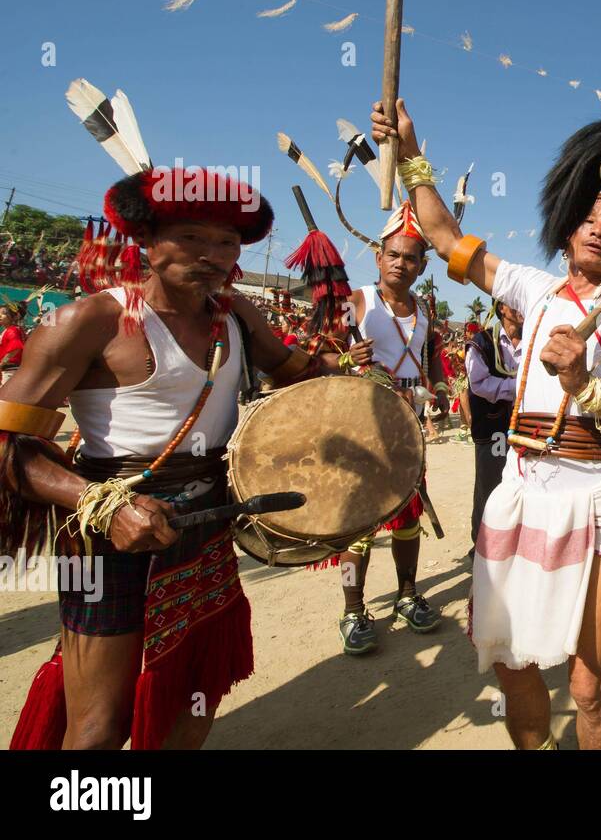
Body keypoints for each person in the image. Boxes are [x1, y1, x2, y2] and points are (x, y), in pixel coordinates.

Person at [3, 167, 370, 750]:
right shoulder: (87, 320)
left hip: (208, 525)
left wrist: (345, 370)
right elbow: (7, 447)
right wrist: (99, 505)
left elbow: (297, 377)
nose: (214, 255)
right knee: (99, 727)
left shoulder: (236, 317)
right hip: (106, 536)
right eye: (192, 237)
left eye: (226, 242)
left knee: (193, 696)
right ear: (147, 241)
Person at [371, 100, 601, 750]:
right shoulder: (530, 287)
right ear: (569, 230)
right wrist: (409, 150)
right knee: (512, 666)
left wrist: (584, 387)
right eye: (590, 217)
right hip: (519, 490)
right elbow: (444, 237)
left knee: (590, 683)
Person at [334, 202, 450, 656]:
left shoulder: (424, 310)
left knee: (406, 518)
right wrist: (347, 359)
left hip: (409, 427)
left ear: (422, 266)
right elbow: (318, 353)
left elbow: (432, 354)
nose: (401, 264)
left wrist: (438, 385)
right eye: (394, 256)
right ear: (379, 258)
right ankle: (353, 609)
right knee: (360, 522)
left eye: (411, 258)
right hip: (364, 423)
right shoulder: (356, 302)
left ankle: (406, 595)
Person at [464, 299, 523, 551]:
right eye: (517, 303)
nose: (523, 307)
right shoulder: (481, 343)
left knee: (524, 487)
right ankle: (481, 544)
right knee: (490, 486)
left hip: (528, 429)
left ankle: (514, 545)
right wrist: (519, 388)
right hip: (493, 430)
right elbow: (479, 384)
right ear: (502, 308)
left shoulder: (536, 335)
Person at [0, 299, 30, 384]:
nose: (0, 315)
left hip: (10, 371)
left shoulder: (12, 330)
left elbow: (16, 348)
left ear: (15, 316)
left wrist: (1, 364)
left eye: (4, 313)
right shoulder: (15, 329)